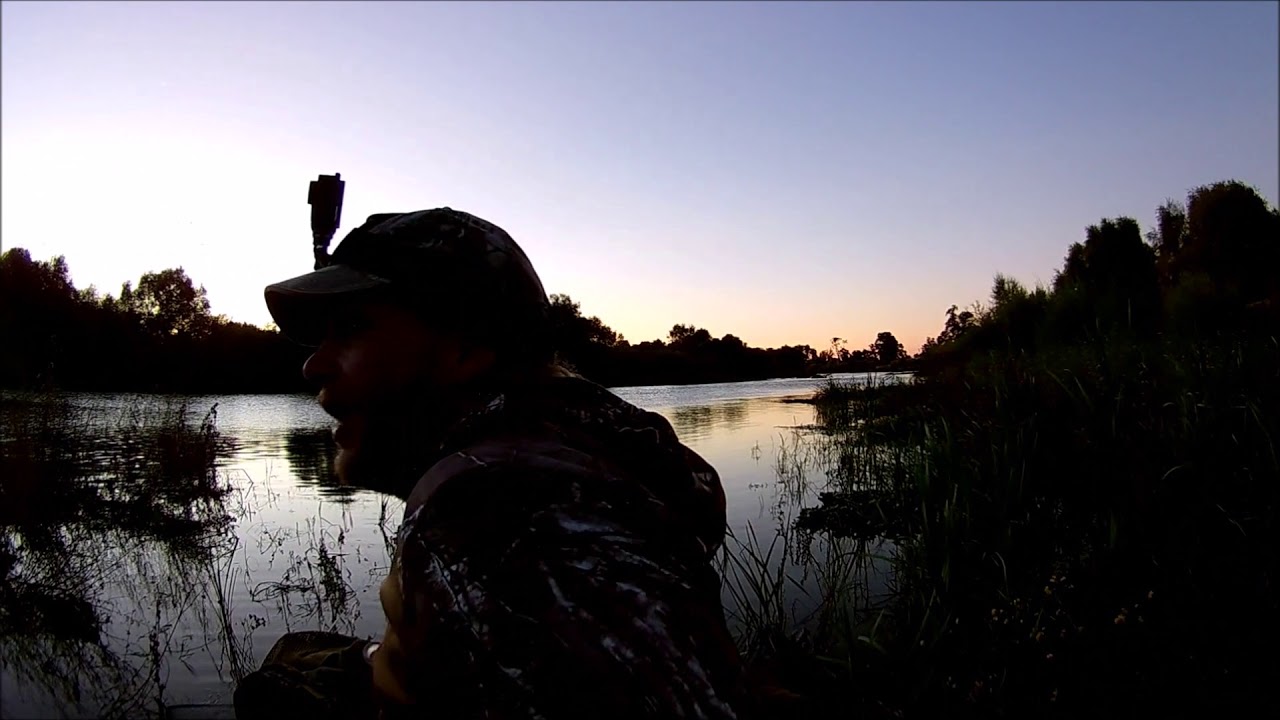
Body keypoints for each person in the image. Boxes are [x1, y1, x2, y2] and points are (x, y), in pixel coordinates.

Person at [235, 208, 746, 719]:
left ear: (465, 349)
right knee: (299, 658)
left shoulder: (499, 512)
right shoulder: (585, 446)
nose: (313, 365)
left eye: (349, 328)